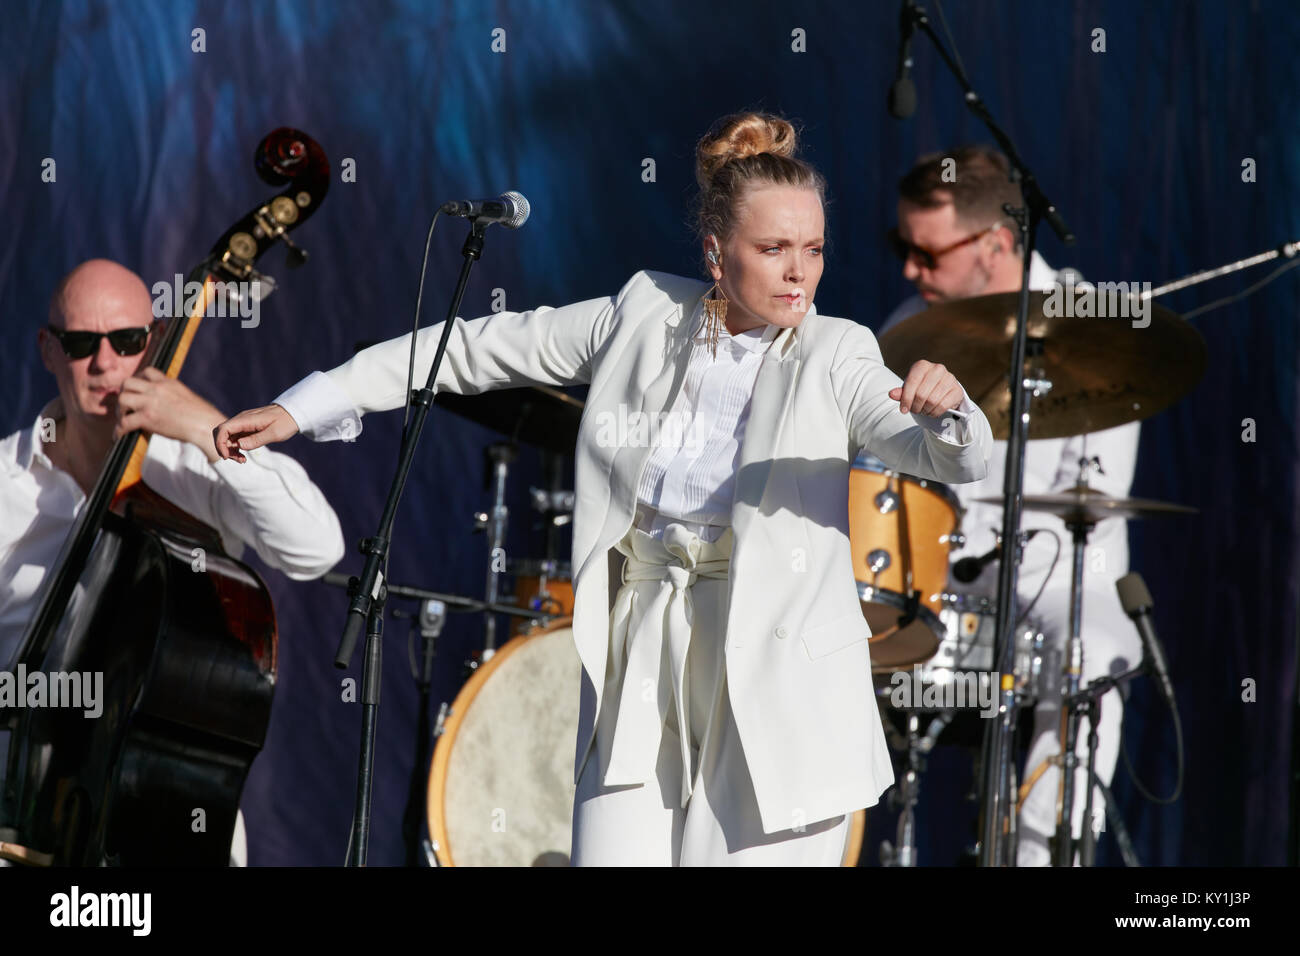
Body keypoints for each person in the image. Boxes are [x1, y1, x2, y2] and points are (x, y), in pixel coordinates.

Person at [214, 111, 995, 866]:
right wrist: (305, 404)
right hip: (641, 659)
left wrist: (949, 414)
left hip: (781, 693)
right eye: (775, 247)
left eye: (815, 248)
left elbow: (941, 454)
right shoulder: (645, 311)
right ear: (717, 253)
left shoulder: (838, 351)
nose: (801, 271)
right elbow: (478, 348)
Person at [0, 258, 346, 865]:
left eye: (127, 341)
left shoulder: (197, 467)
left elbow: (315, 549)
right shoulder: (5, 484)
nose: (105, 364)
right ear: (48, 350)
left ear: (155, 341)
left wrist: (210, 429)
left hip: (169, 829)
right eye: (81, 343)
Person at [879, 145, 1143, 865]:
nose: (909, 268)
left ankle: (1040, 855)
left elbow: (1090, 506)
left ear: (996, 243)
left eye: (926, 253)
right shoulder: (908, 327)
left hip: (1052, 582)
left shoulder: (1093, 332)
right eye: (900, 246)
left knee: (1099, 650)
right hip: (930, 574)